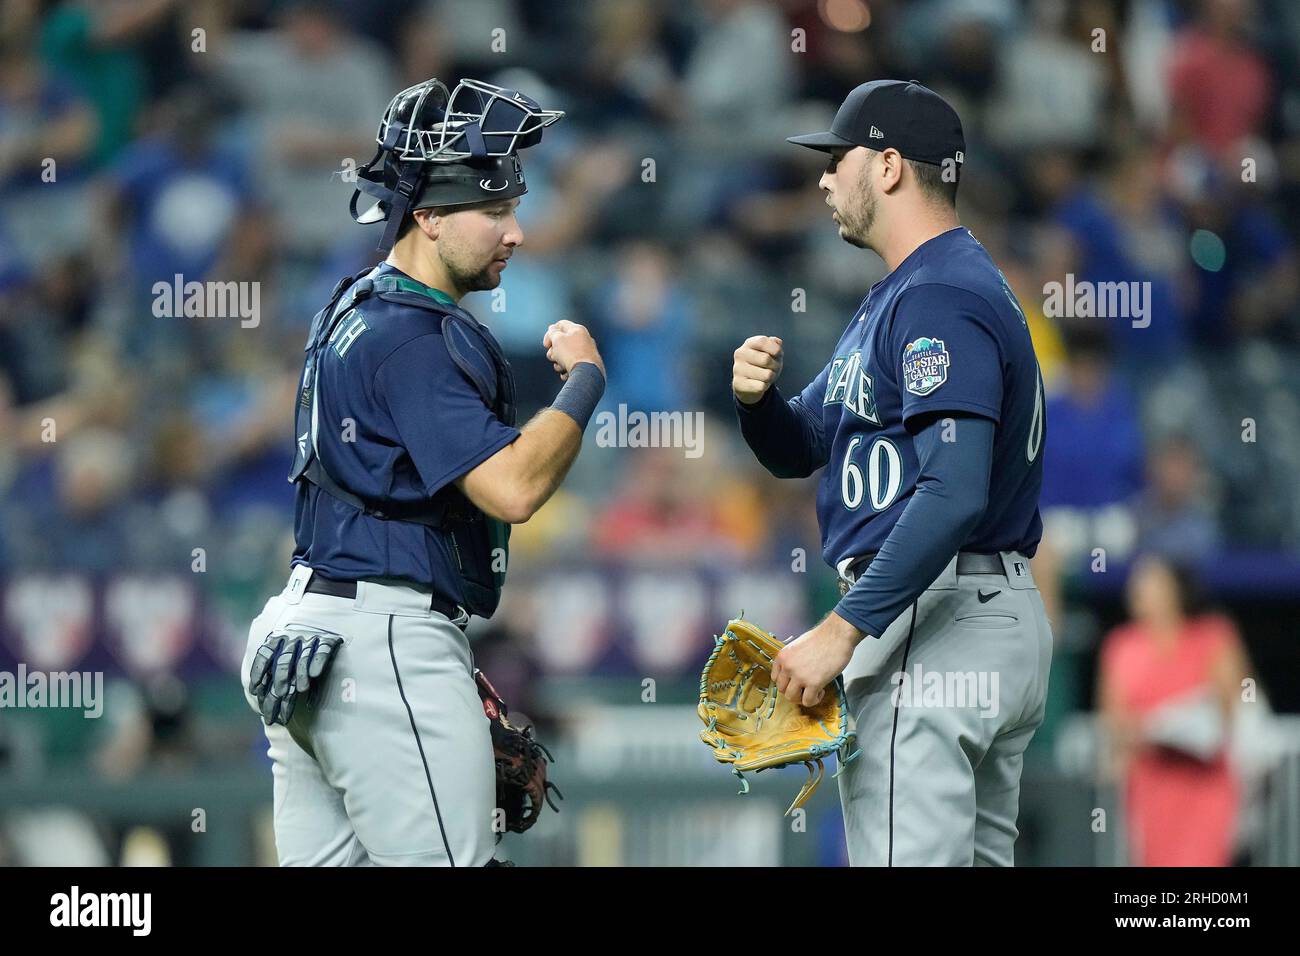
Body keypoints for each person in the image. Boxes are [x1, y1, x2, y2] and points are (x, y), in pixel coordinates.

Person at [240, 77, 606, 867]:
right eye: (495, 211)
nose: (516, 232)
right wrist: (584, 383)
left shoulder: (353, 306)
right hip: (382, 639)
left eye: (515, 208)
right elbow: (513, 489)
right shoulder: (413, 333)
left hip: (310, 629)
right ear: (429, 218)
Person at [732, 80, 1052, 866]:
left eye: (837, 160)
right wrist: (757, 402)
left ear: (887, 165)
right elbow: (803, 443)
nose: (823, 179)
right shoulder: (913, 289)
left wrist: (842, 631)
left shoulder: (939, 292)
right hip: (973, 609)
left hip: (935, 615)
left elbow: (953, 492)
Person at [1098, 555, 1247, 866]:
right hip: (1148, 787)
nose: (1137, 588)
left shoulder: (1215, 635)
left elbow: (1234, 704)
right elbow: (1113, 719)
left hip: (1206, 784)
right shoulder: (1121, 645)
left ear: (1175, 589)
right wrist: (1149, 731)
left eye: (1150, 581)